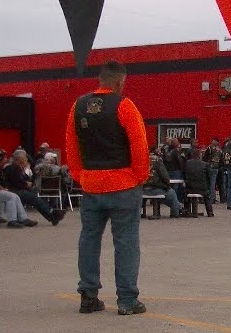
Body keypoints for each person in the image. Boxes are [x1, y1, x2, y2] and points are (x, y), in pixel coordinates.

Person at [64, 60, 149, 315]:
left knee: (89, 239)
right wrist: (139, 176)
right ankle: (126, 300)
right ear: (120, 81)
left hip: (91, 185)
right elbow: (139, 144)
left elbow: (71, 144)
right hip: (123, 184)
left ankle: (88, 296)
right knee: (126, 242)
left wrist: (80, 175)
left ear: (100, 80)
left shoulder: (78, 106)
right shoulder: (124, 105)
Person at [4, 149, 66, 225]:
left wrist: (27, 180)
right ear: (19, 159)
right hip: (14, 191)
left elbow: (28, 179)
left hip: (20, 190)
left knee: (34, 196)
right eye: (24, 157)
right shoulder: (12, 168)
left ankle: (52, 216)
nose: (26, 159)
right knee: (33, 197)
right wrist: (26, 184)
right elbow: (16, 182)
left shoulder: (20, 168)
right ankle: (52, 213)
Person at [0, 149, 36, 228]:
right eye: (5, 158)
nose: (6, 159)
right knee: (11, 196)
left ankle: (23, 218)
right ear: (0, 159)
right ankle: (12, 220)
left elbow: (2, 182)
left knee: (15, 196)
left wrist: (2, 187)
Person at [142, 149, 182, 218]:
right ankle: (176, 212)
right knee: (172, 193)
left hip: (142, 190)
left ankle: (180, 207)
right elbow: (165, 177)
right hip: (155, 189)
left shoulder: (142, 163)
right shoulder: (158, 162)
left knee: (167, 196)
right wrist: (167, 186)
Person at [184, 148, 215, 217]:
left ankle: (187, 210)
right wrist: (207, 186)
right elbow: (209, 177)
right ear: (200, 155)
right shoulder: (205, 164)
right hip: (202, 187)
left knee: (186, 195)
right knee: (207, 196)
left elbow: (184, 174)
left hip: (190, 187)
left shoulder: (187, 163)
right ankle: (210, 212)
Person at [201, 138, 222, 205]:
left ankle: (210, 198)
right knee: (213, 183)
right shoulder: (219, 149)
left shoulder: (209, 148)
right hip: (216, 167)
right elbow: (221, 158)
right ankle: (213, 197)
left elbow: (205, 157)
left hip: (210, 166)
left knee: (210, 183)